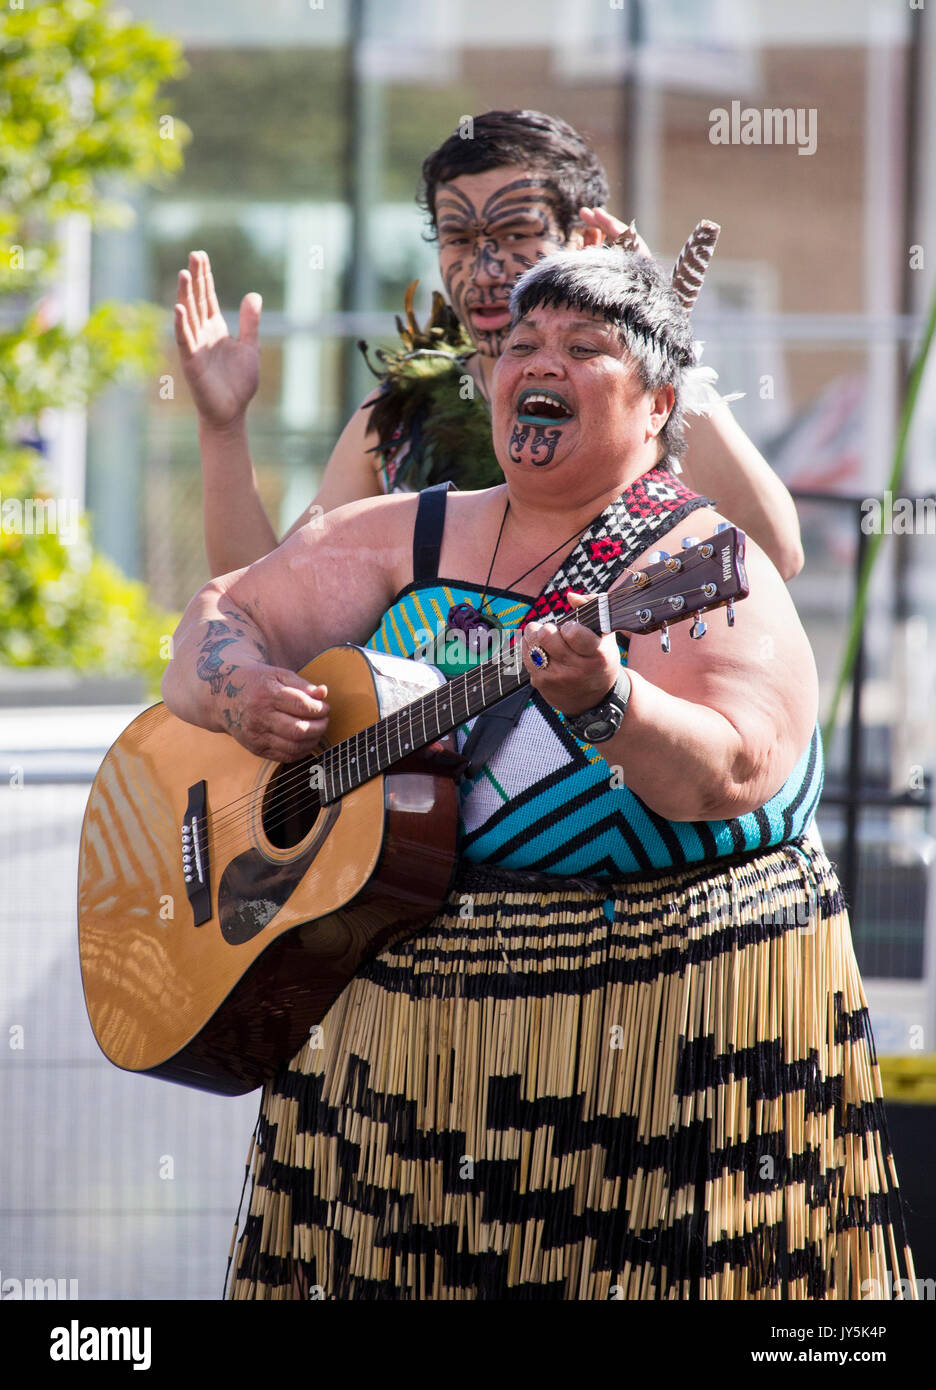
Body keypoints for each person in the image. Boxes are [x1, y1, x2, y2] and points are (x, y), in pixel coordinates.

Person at [162, 244, 914, 1300]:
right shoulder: (411, 531)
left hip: (656, 1049)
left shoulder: (701, 561)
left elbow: (737, 766)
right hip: (403, 1055)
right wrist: (233, 682)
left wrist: (615, 705)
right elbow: (222, 612)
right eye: (520, 345)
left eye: (584, 345)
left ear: (659, 403)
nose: (538, 361)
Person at [174, 109, 805, 581]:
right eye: (458, 238)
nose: (484, 269)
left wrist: (660, 346)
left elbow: (771, 555)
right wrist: (222, 428)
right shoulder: (404, 410)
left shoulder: (641, 402)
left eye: (514, 232)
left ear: (586, 241)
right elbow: (269, 598)